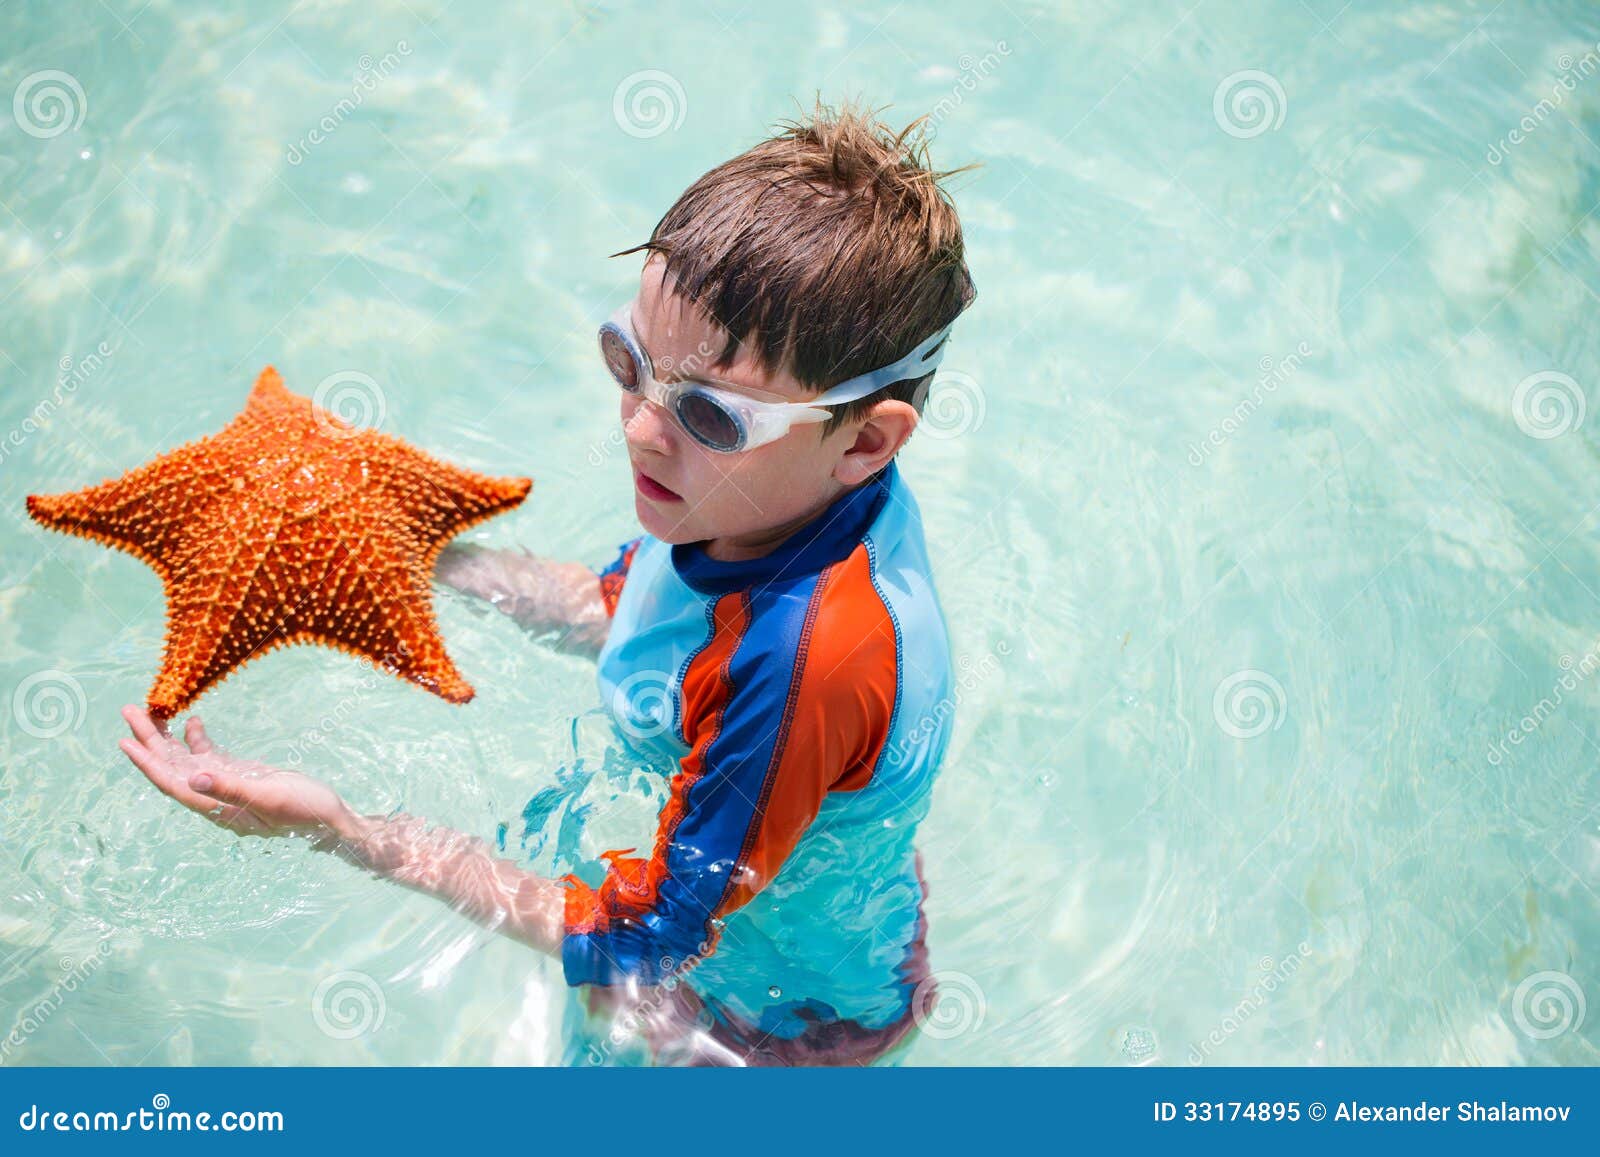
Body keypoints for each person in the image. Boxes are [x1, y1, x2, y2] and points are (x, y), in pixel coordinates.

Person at [117, 101, 975, 1066]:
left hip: (775, 1029)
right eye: (631, 361)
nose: (642, 428)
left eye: (710, 414)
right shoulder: (768, 495)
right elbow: (629, 606)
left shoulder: (805, 658)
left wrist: (351, 830)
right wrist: (420, 551)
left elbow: (644, 942)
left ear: (866, 441)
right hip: (805, 906)